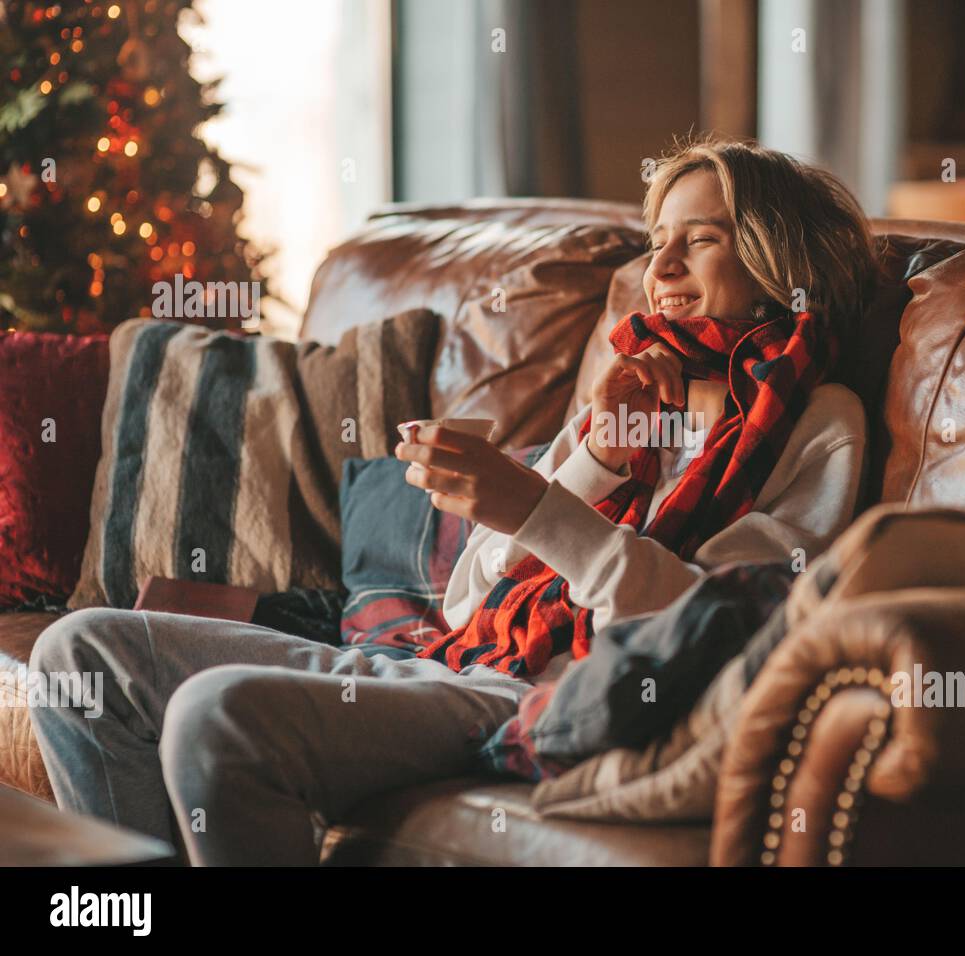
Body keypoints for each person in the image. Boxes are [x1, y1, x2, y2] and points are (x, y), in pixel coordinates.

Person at [27, 135, 875, 865]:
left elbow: (703, 629)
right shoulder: (629, 394)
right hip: (459, 661)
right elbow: (474, 597)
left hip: (542, 697)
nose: (660, 267)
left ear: (777, 264)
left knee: (219, 717)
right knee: (79, 656)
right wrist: (599, 461)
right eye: (657, 241)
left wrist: (538, 509)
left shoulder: (810, 420)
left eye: (700, 239)